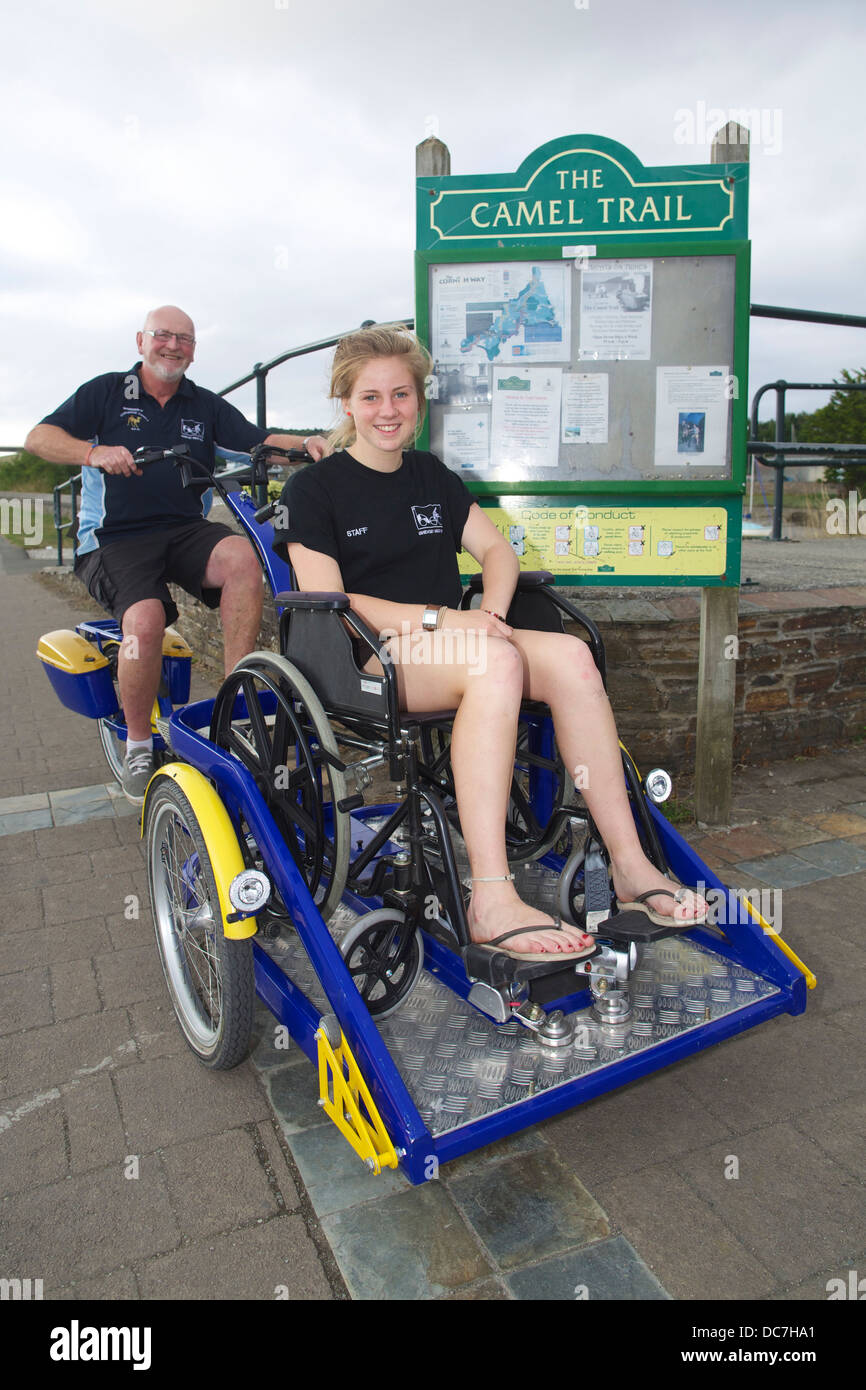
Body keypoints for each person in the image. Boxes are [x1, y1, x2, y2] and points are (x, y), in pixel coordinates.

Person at [273, 326, 707, 962]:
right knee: (494, 660)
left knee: (572, 657)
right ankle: (491, 896)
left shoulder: (432, 477)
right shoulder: (313, 490)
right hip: (369, 654)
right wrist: (447, 624)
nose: (387, 410)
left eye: (401, 394)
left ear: (419, 400)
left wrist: (493, 612)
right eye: (370, 397)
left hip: (462, 643)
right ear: (346, 403)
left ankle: (630, 865)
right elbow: (339, 601)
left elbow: (497, 551)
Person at [25, 305, 328, 803]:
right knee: (143, 622)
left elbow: (258, 443)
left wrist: (311, 442)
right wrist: (91, 453)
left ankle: (237, 700)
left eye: (184, 339)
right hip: (114, 538)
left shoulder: (202, 404)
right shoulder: (105, 392)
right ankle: (140, 745)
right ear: (140, 341)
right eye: (162, 336)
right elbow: (40, 437)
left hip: (184, 529)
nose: (173, 346)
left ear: (193, 349)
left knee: (242, 558)